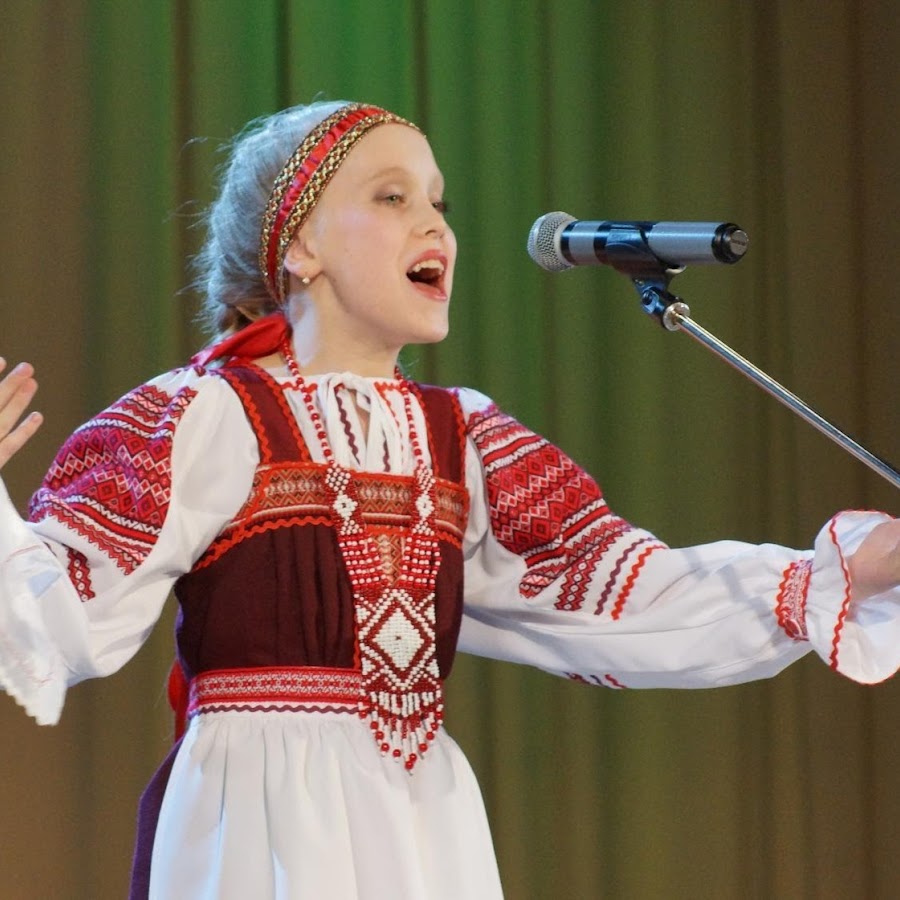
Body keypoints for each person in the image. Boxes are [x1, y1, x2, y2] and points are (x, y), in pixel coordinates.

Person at [1, 100, 899, 900]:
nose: (434, 224)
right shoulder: (205, 415)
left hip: (419, 819)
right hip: (259, 828)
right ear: (300, 246)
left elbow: (618, 594)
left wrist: (847, 574)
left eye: (439, 202)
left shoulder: (462, 439)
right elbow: (61, 622)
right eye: (392, 197)